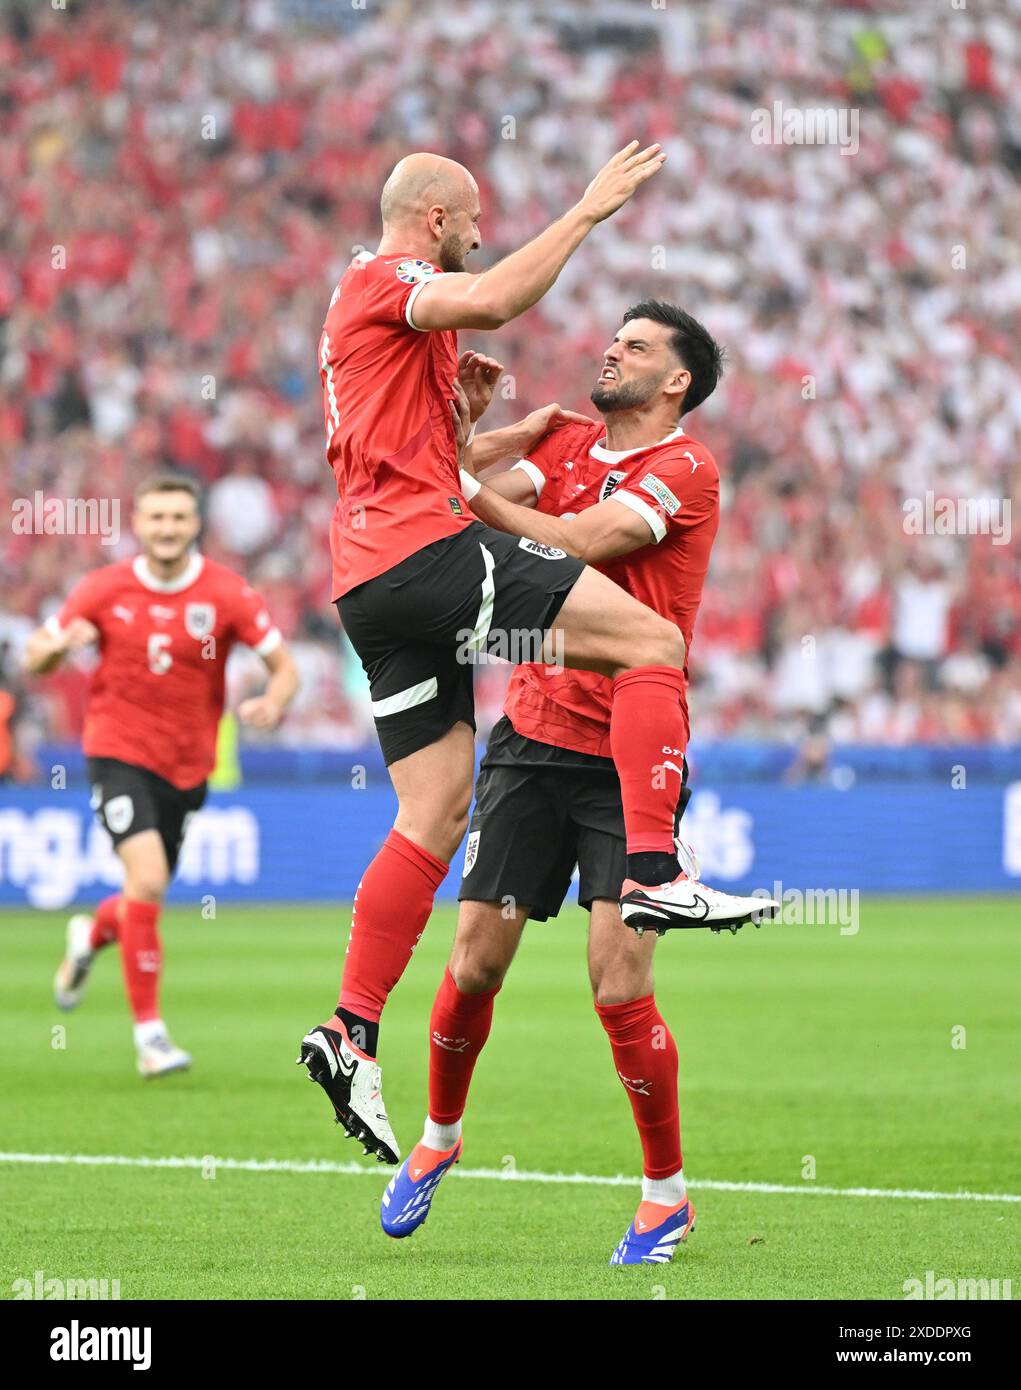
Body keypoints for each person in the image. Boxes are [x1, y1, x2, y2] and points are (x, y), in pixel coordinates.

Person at [300, 144, 765, 1166]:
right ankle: (655, 870)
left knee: (430, 810)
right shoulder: (393, 277)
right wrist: (587, 209)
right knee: (651, 640)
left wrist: (472, 423)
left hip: (370, 580)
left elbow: (436, 459)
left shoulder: (387, 323)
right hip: (421, 558)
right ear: (433, 220)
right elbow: (500, 299)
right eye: (470, 222)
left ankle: (350, 1030)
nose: (479, 235)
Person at [379, 301, 775, 1262]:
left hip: (629, 763)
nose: (611, 351)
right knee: (474, 960)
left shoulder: (685, 467)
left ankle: (664, 1195)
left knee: (615, 983)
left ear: (676, 380)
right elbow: (444, 486)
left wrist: (479, 500)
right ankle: (438, 1140)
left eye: (636, 347)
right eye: (612, 339)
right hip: (532, 739)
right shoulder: (562, 444)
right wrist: (463, 430)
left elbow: (584, 544)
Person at [24, 473, 299, 1077]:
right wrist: (60, 648)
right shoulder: (101, 589)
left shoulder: (226, 593)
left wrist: (273, 703)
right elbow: (33, 660)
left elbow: (284, 667)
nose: (167, 529)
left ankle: (87, 939)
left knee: (142, 894)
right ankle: (150, 1037)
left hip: (188, 764)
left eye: (178, 518)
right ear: (139, 524)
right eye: (156, 518)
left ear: (195, 523)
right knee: (146, 878)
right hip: (117, 752)